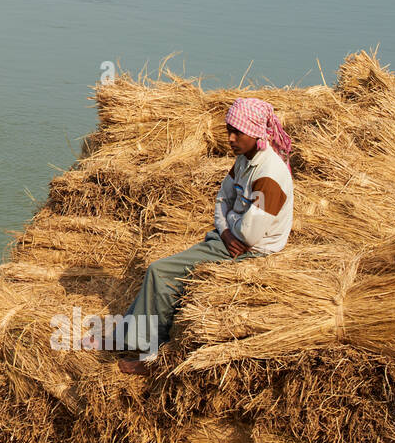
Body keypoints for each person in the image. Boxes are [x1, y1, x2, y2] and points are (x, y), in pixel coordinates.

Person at [118, 97, 295, 376]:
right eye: (229, 130)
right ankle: (125, 335)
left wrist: (228, 222)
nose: (231, 138)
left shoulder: (269, 175)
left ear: (257, 132)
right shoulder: (244, 161)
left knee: (160, 271)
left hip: (252, 250)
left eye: (238, 132)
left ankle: (152, 359)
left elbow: (249, 234)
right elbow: (221, 199)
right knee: (160, 269)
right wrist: (226, 228)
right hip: (228, 240)